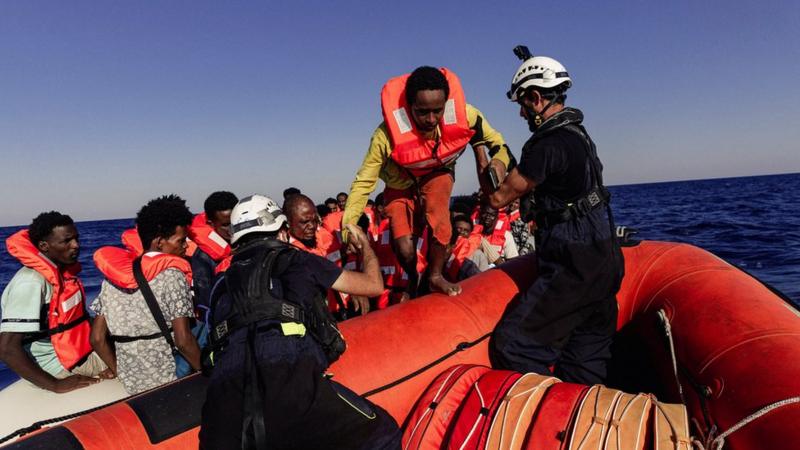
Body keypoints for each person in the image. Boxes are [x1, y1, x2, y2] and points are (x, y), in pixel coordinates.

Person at [199, 195, 400, 449]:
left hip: (220, 420)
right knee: (384, 434)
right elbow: (373, 285)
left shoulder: (219, 286)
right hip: (291, 390)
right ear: (283, 232)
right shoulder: (299, 261)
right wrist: (365, 246)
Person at [485, 46, 624, 385]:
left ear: (535, 97)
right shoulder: (578, 136)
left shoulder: (547, 145)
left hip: (573, 267)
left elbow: (499, 197)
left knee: (513, 347)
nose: (520, 113)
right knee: (583, 364)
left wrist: (488, 153)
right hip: (604, 262)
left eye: (522, 104)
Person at [343, 66, 515, 298]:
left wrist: (499, 162)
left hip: (438, 173)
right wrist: (348, 228)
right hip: (401, 184)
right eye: (422, 112)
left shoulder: (468, 115)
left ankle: (434, 276)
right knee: (404, 250)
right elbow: (364, 181)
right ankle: (414, 278)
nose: (431, 119)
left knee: (439, 216)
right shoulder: (385, 136)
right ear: (409, 107)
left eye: (438, 111)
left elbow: (499, 143)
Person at [91, 195, 201, 394]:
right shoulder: (173, 275)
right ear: (159, 243)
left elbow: (97, 338)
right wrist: (209, 374)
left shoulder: (111, 279)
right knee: (207, 325)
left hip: (132, 382)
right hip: (169, 376)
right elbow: (183, 341)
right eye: (182, 240)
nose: (186, 245)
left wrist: (121, 373)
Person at [0, 212, 114, 392]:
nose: (76, 245)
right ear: (44, 246)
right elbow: (6, 349)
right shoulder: (31, 283)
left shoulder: (62, 274)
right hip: (58, 365)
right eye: (66, 241)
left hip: (79, 351)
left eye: (76, 238)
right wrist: (56, 385)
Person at [284, 194, 369, 317]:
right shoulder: (288, 253)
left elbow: (341, 261)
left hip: (345, 307)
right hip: (319, 317)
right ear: (288, 222)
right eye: (304, 222)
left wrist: (355, 289)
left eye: (314, 220)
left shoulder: (326, 235)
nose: (312, 226)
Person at [189, 191, 238, 309]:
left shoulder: (247, 242)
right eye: (225, 225)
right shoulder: (202, 258)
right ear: (211, 223)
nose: (231, 229)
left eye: (235, 222)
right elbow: (207, 301)